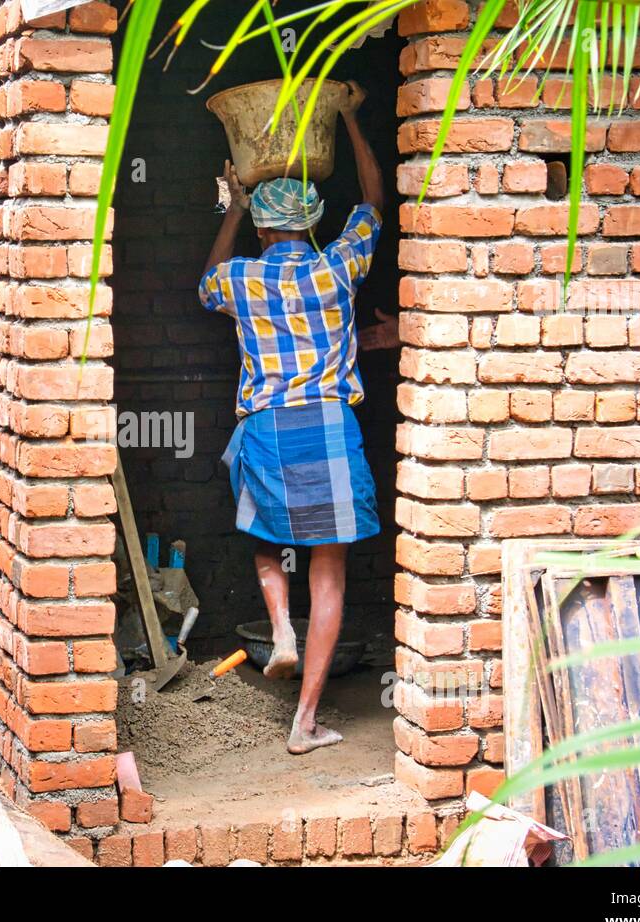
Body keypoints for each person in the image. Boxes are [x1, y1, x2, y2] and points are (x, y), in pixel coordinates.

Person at [199, 81, 384, 755]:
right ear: (310, 221)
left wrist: (231, 211)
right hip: (330, 426)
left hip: (268, 426)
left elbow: (205, 281)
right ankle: (305, 722)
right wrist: (353, 123)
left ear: (262, 226)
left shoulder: (243, 278)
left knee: (264, 533)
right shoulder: (340, 265)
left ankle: (279, 625)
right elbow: (372, 201)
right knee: (328, 571)